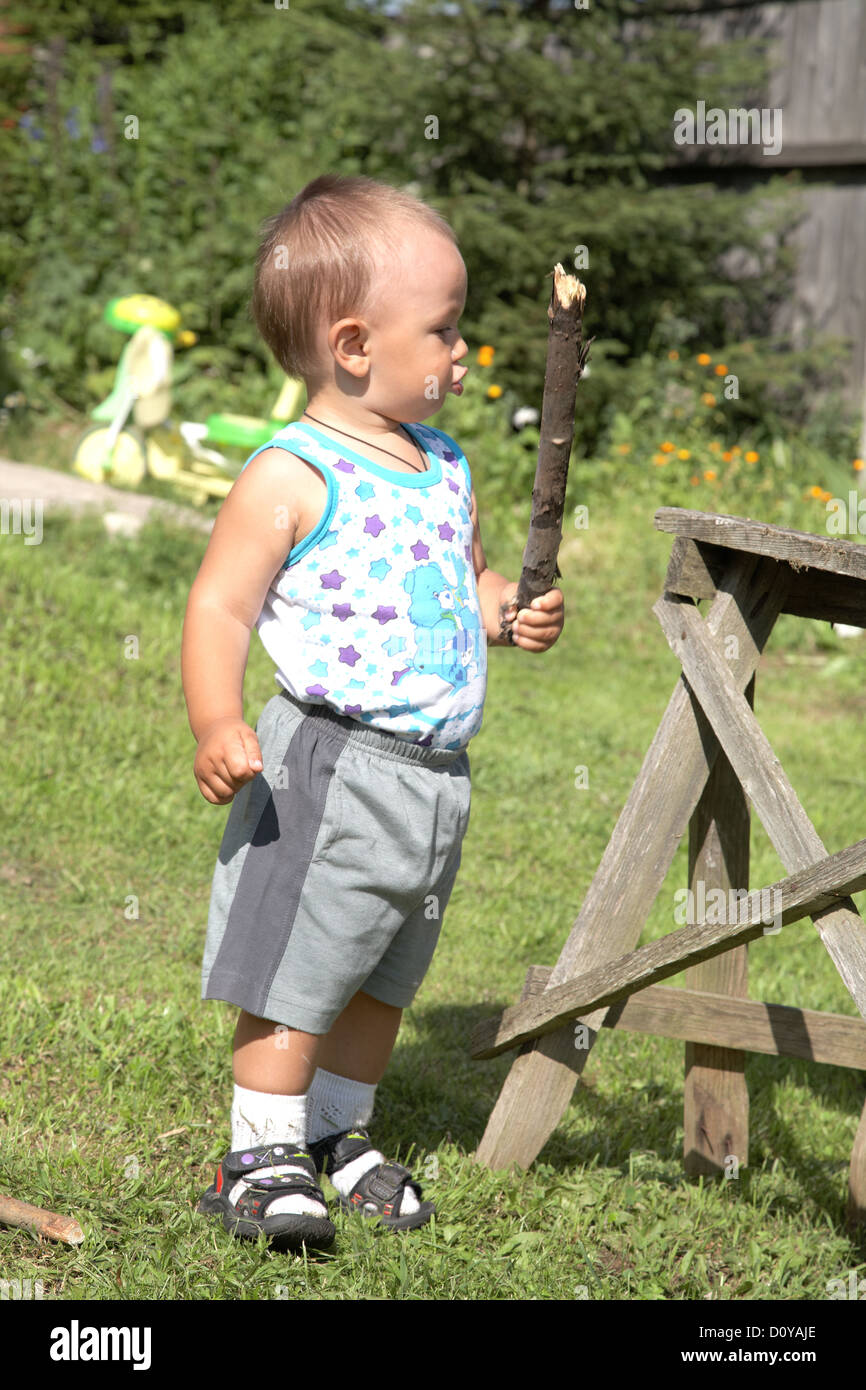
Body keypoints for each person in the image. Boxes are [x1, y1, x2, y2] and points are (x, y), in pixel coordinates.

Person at [181, 173, 565, 1252]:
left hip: (430, 779)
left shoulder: (443, 467)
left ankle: (335, 1134)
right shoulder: (292, 474)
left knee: (380, 971)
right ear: (353, 344)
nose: (459, 351)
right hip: (328, 765)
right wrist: (218, 718)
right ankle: (256, 1149)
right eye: (443, 329)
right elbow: (219, 602)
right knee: (298, 964)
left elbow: (469, 581)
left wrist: (508, 611)